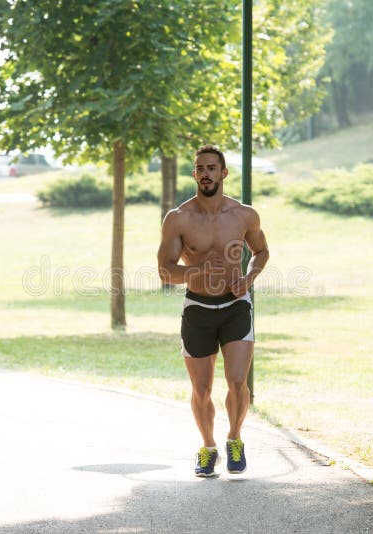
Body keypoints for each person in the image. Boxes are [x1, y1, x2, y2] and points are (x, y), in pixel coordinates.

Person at [157, 144, 269, 477]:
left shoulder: (244, 215)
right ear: (195, 174)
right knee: (201, 390)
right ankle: (208, 447)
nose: (205, 173)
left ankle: (235, 437)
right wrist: (198, 270)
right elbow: (165, 270)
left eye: (211, 168)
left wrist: (249, 278)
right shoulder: (179, 218)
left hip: (236, 306)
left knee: (237, 382)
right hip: (198, 309)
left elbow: (262, 251)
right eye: (200, 168)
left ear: (223, 173)